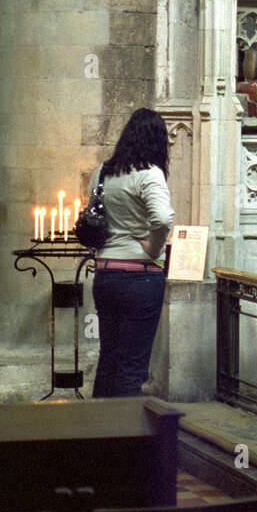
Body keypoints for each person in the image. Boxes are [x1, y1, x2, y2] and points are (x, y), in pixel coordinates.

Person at [89, 108, 175, 398]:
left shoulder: (102, 172)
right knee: (132, 367)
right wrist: (153, 247)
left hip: (105, 274)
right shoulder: (150, 174)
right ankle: (127, 439)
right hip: (140, 278)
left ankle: (97, 435)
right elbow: (162, 219)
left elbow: (94, 215)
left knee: (108, 358)